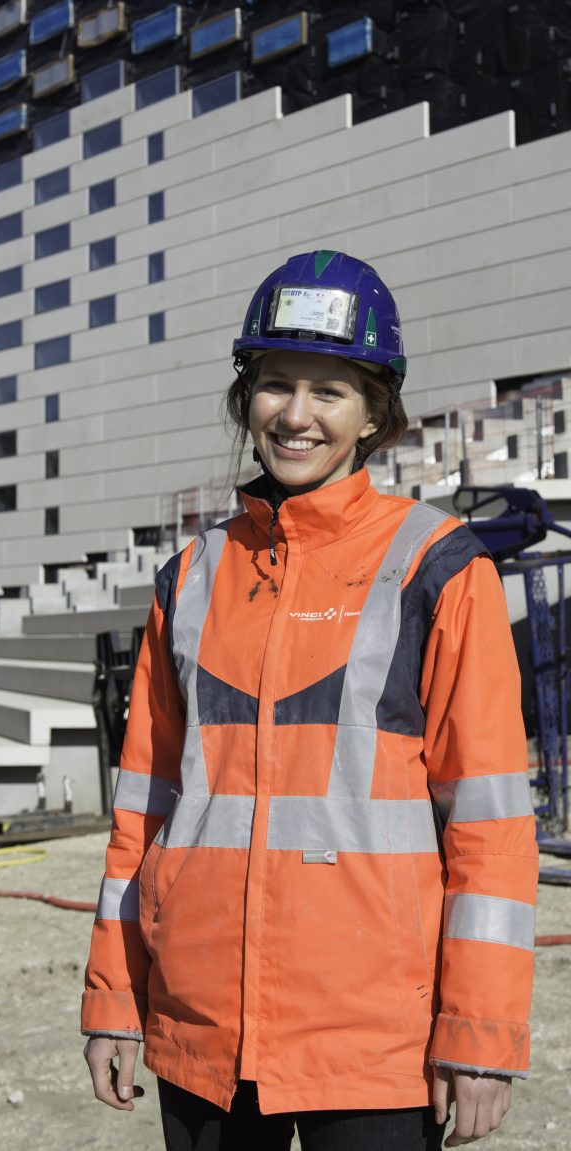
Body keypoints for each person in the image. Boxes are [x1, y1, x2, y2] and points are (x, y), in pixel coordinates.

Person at [81, 251, 538, 1150]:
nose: (297, 415)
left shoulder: (438, 568)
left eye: (330, 390)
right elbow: (142, 811)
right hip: (199, 1029)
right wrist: (113, 997)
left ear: (375, 415)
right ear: (245, 397)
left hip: (370, 1040)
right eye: (276, 384)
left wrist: (480, 1037)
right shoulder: (192, 578)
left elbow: (489, 825)